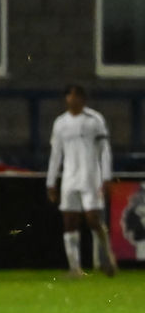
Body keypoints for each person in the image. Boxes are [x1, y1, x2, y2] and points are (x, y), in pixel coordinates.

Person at [46, 84, 117, 277]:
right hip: (69, 178)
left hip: (91, 178)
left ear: (83, 100)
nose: (73, 99)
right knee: (69, 221)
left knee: (93, 219)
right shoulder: (60, 123)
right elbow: (56, 154)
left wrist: (107, 177)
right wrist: (51, 182)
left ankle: (108, 257)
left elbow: (105, 151)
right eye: (70, 95)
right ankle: (75, 268)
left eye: (77, 96)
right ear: (66, 99)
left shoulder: (95, 120)